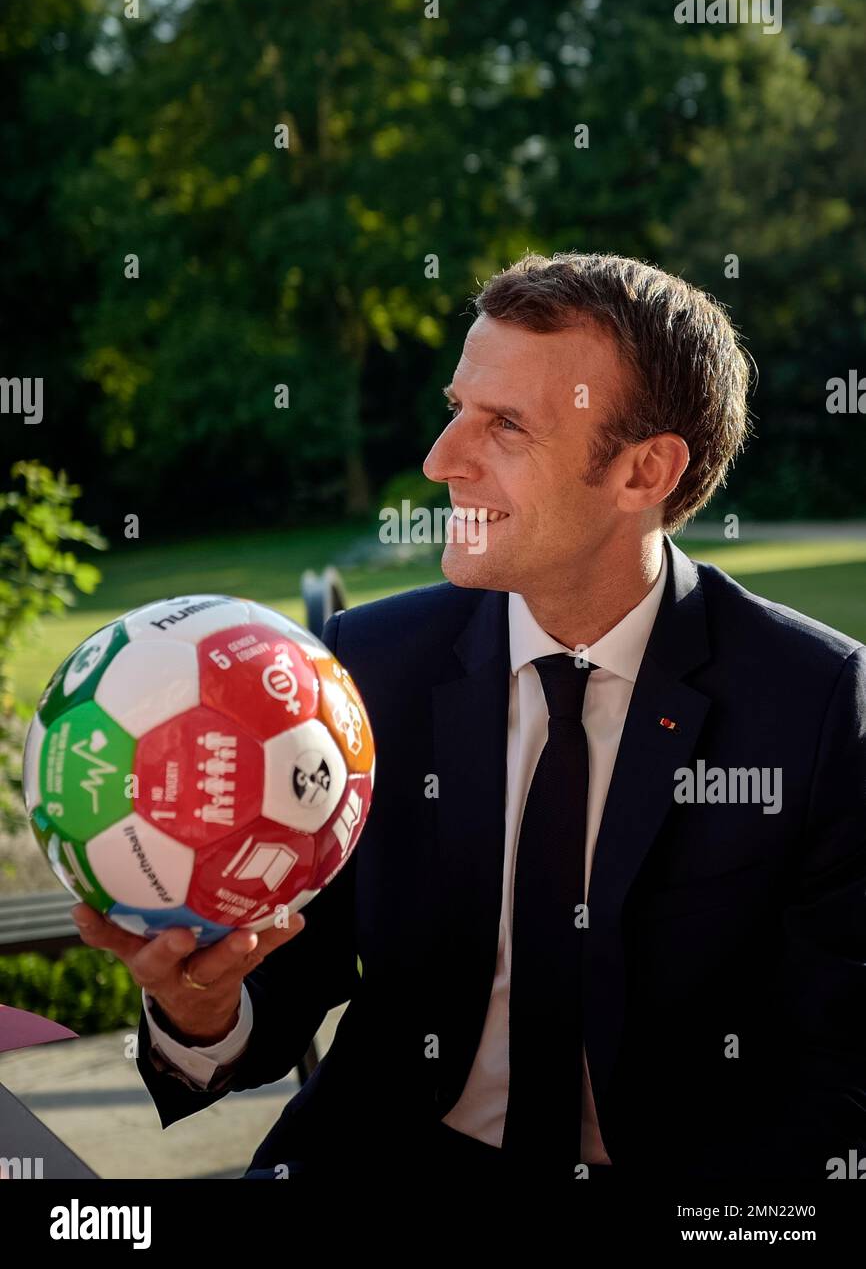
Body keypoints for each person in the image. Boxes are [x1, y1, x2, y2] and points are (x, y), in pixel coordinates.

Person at [73, 252, 866, 1187]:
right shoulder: (363, 670)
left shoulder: (814, 701)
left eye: (506, 426)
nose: (442, 460)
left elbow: (839, 1071)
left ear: (644, 471)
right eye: (458, 408)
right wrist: (200, 1009)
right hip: (385, 1164)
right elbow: (285, 980)